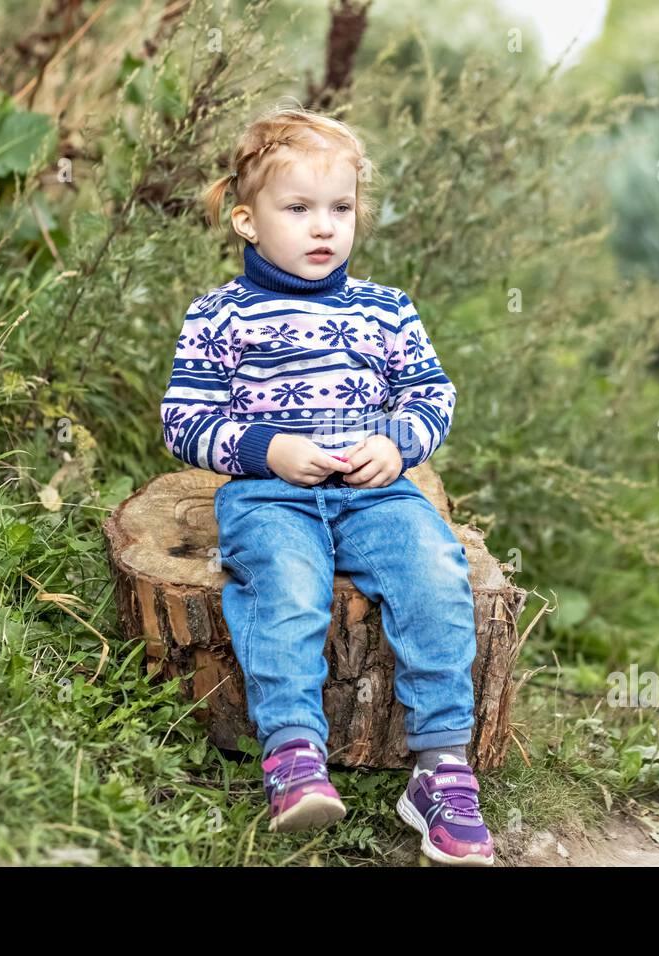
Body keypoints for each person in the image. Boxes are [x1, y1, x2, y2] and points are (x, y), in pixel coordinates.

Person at [160, 105, 493, 865]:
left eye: (340, 209)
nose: (324, 228)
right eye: (299, 208)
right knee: (285, 585)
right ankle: (294, 754)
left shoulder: (385, 309)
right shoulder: (219, 316)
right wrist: (266, 449)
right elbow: (183, 419)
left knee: (437, 574)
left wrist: (398, 443)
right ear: (247, 220)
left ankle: (441, 768)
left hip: (375, 491)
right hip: (270, 494)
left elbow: (431, 393)